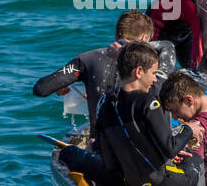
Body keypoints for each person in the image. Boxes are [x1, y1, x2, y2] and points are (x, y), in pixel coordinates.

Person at [92, 42, 205, 186]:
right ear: (138, 72)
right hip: (161, 185)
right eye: (153, 73)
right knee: (195, 161)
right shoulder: (148, 103)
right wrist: (189, 129)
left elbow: (109, 160)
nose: (154, 79)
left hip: (130, 184)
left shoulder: (104, 104)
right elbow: (170, 147)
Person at [33, 11, 178, 126]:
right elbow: (168, 47)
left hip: (100, 146)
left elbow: (41, 89)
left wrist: (59, 85)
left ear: (116, 35)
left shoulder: (87, 59)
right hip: (145, 145)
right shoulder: (152, 60)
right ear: (146, 38)